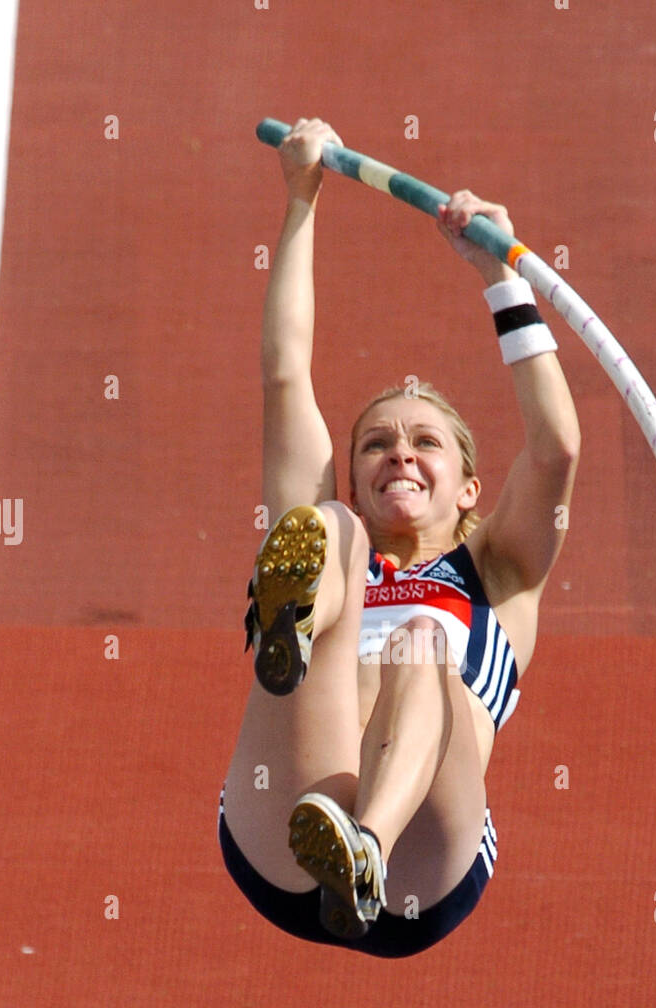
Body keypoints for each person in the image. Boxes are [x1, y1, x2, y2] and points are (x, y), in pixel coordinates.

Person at [218, 117, 581, 958]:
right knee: (320, 531)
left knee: (423, 638)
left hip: (421, 861)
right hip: (290, 817)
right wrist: (299, 197)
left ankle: (366, 849)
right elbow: (284, 374)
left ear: (470, 491)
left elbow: (557, 447)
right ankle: (286, 645)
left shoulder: (501, 568)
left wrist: (502, 274)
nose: (400, 454)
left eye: (425, 443)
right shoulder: (336, 536)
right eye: (377, 443)